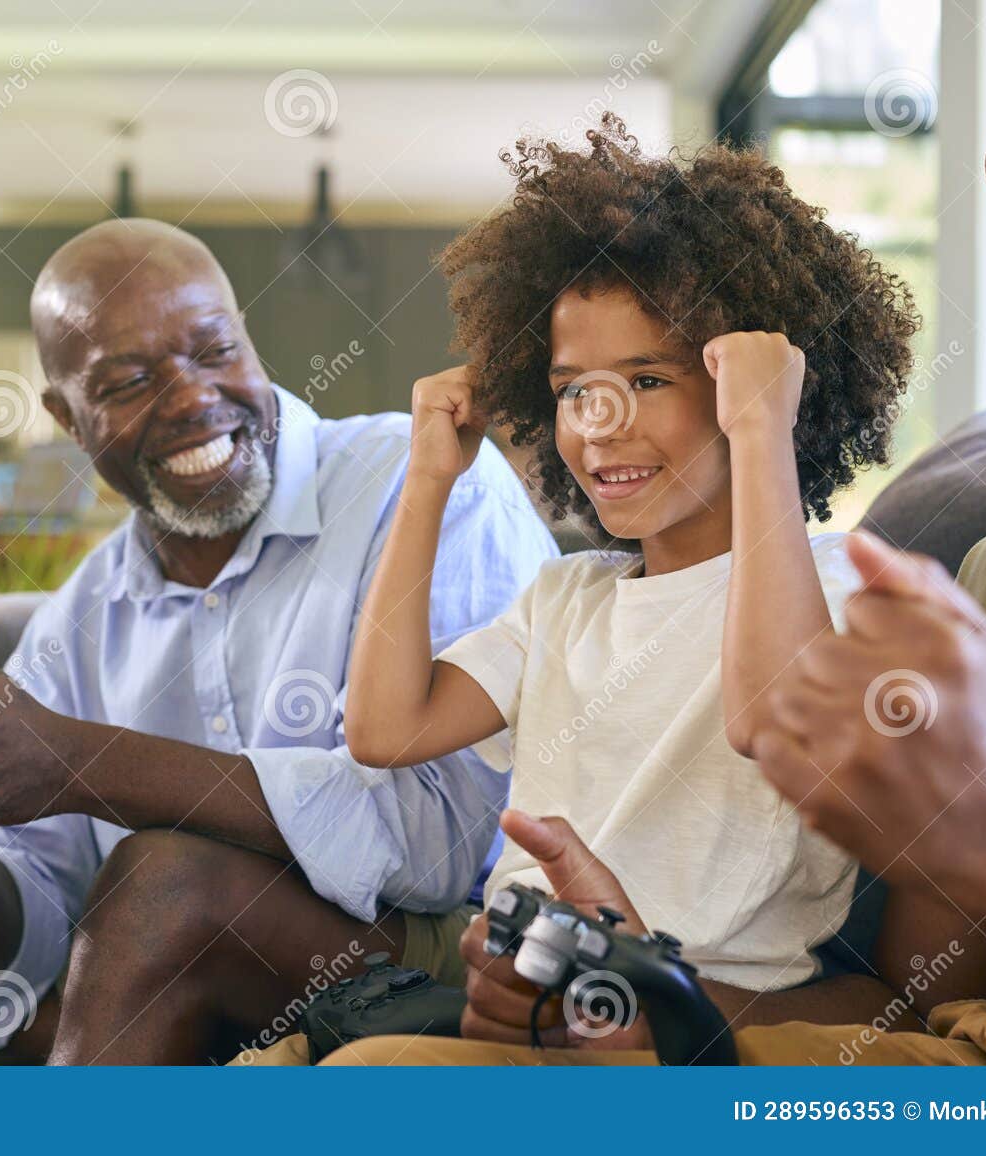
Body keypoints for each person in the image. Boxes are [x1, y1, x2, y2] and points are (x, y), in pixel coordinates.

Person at [328, 0, 986, 1067]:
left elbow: (786, 731)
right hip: (984, 1066)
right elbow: (919, 993)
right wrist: (665, 1006)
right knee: (381, 1073)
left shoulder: (848, 582)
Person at [0, 220, 558, 1065]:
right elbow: (3, 957)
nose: (191, 397)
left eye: (215, 350)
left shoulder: (425, 486)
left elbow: (436, 844)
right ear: (67, 421)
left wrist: (74, 760)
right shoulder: (85, 614)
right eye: (129, 381)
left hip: (441, 944)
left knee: (165, 885)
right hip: (150, 956)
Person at [341, 115, 920, 1039]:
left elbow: (777, 724)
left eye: (648, 379)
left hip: (694, 1028)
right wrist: (427, 479)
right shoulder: (568, 600)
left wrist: (765, 431)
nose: (599, 424)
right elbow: (383, 726)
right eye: (574, 389)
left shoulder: (842, 588)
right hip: (517, 995)